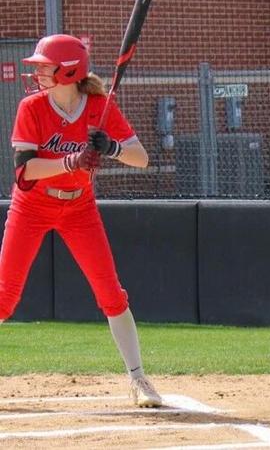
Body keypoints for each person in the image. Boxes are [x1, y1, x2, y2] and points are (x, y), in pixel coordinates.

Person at [0, 34, 162, 408]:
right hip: (32, 206)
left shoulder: (100, 106)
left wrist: (111, 147)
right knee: (5, 299)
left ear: (69, 71)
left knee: (111, 294)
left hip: (80, 209)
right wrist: (71, 162)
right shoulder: (32, 107)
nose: (38, 72)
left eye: (45, 66)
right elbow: (25, 172)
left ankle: (138, 379)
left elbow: (141, 158)